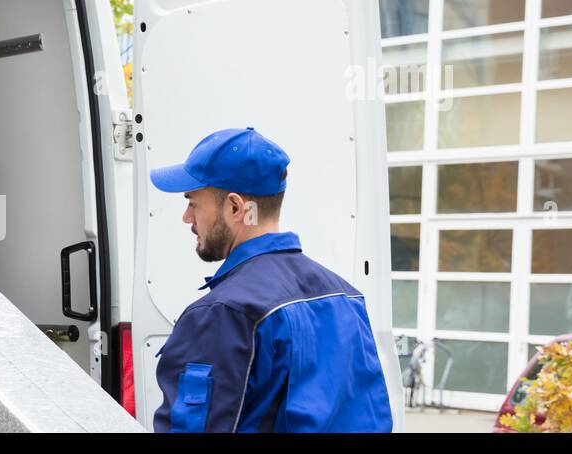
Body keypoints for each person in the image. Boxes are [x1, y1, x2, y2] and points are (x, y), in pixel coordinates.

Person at [149, 127, 392, 433]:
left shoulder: (226, 312)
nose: (187, 217)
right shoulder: (345, 297)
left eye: (193, 202)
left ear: (236, 207)